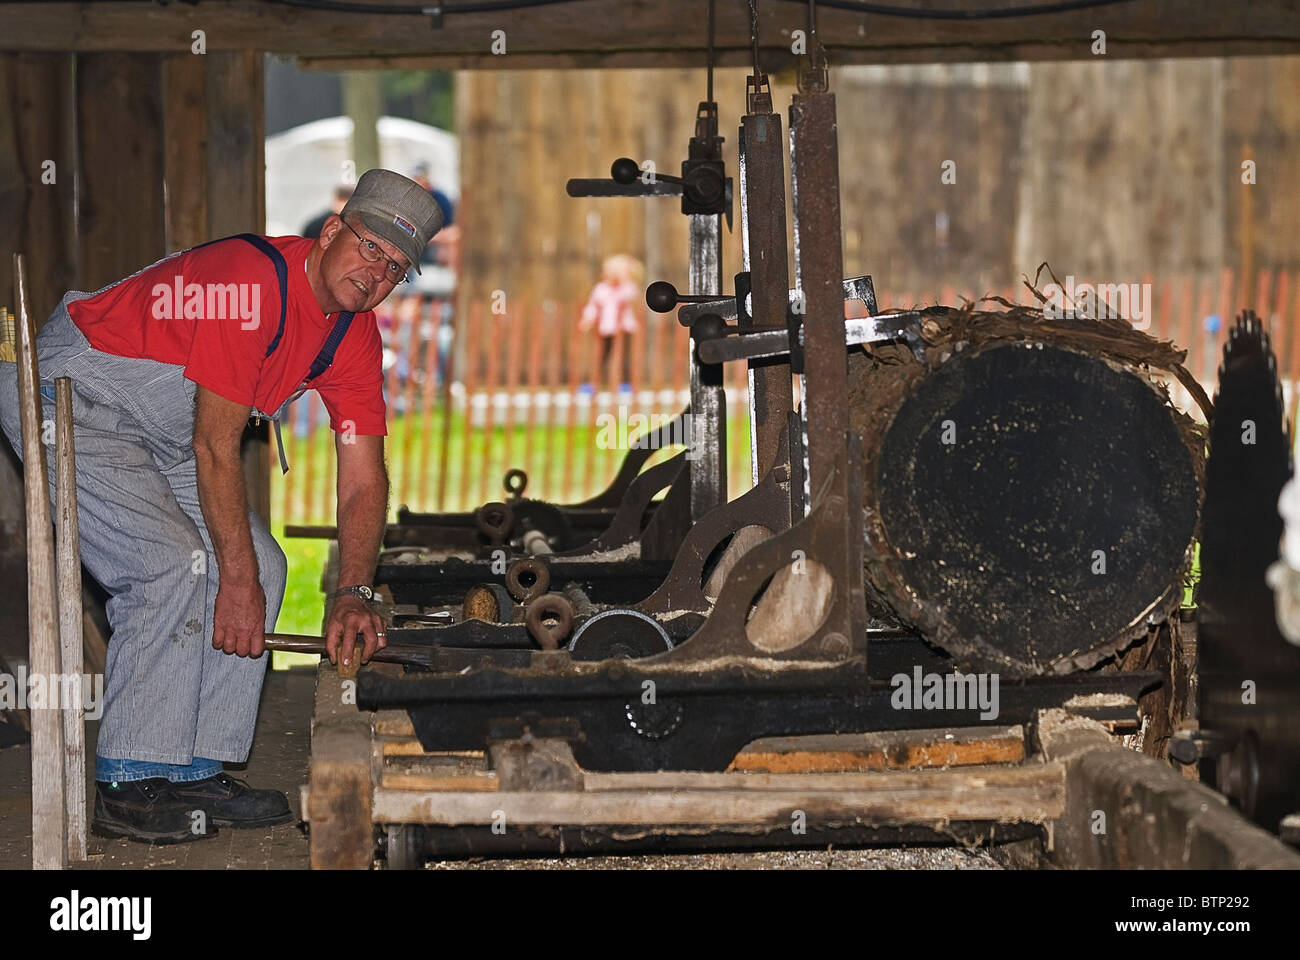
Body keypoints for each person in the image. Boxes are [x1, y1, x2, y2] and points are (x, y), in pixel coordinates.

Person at [0, 169, 442, 844]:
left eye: (396, 268)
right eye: (370, 248)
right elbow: (216, 446)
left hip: (164, 431)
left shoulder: (351, 336)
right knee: (171, 567)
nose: (377, 272)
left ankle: (192, 769)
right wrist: (226, 577)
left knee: (261, 567)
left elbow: (361, 478)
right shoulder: (251, 283)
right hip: (74, 397)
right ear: (331, 232)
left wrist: (354, 589)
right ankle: (127, 783)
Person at [579, 254, 642, 391]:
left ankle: (625, 383)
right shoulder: (600, 289)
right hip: (605, 329)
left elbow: (631, 295)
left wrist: (625, 278)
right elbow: (593, 306)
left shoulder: (627, 288)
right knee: (600, 356)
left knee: (623, 357)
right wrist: (587, 319)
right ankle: (595, 383)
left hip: (624, 329)